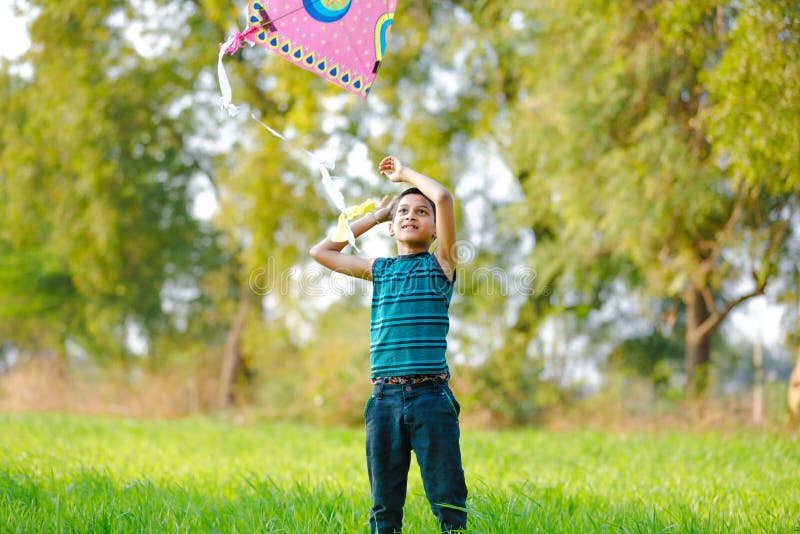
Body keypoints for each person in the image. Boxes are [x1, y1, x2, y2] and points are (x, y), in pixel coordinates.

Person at [310, 156, 468, 533]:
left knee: (448, 501)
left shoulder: (440, 265)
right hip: (383, 401)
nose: (410, 216)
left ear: (434, 231)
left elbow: (443, 197)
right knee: (384, 507)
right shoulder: (379, 269)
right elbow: (322, 252)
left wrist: (404, 177)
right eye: (403, 212)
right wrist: (377, 216)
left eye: (420, 212)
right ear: (393, 228)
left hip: (431, 397)